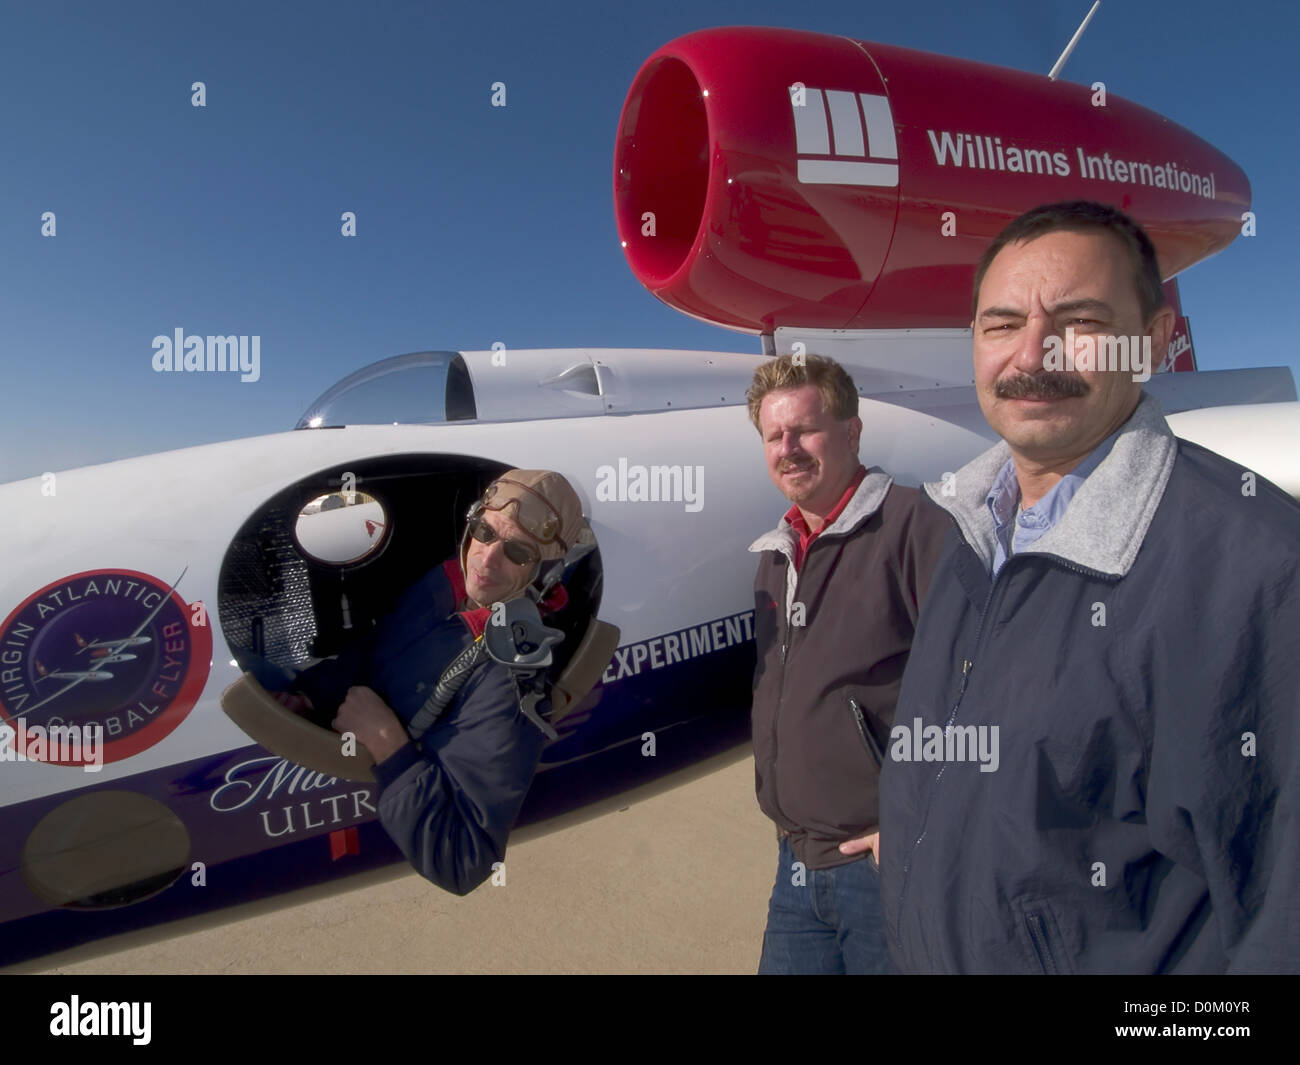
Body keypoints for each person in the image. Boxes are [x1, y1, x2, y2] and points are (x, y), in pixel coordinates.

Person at [879, 201, 1300, 973]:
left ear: (1156, 341)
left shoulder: (1257, 569)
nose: (1032, 354)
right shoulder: (966, 529)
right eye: (1002, 324)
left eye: (1079, 322)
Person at [274, 469, 590, 895]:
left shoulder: (509, 677)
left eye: (517, 552)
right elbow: (377, 650)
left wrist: (389, 744)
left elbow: (463, 860)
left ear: (545, 572)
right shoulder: (444, 584)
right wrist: (309, 694)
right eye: (484, 531)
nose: (486, 559)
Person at [746, 353, 949, 974]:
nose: (790, 448)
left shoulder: (916, 526)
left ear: (852, 432)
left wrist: (921, 825)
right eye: (774, 436)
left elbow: (982, 685)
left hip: (881, 864)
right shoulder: (776, 557)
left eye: (805, 429)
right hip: (797, 866)